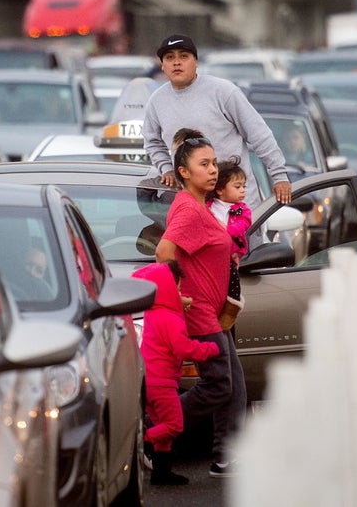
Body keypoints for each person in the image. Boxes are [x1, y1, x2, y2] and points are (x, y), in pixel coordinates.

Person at [154, 127, 245, 478]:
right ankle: (154, 425)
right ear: (183, 172)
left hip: (215, 312)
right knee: (219, 383)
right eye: (203, 164)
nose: (212, 170)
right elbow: (164, 252)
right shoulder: (191, 210)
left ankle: (224, 458)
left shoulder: (199, 205)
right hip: (199, 313)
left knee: (232, 385)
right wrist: (175, 295)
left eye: (213, 163)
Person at [143, 33, 292, 205]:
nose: (177, 62)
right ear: (162, 65)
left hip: (237, 204)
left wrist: (279, 176)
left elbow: (259, 135)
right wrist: (167, 169)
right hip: (195, 206)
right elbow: (152, 142)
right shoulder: (157, 101)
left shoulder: (224, 92)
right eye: (169, 57)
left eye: (184, 56)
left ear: (196, 62)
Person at [134, 259, 220, 486]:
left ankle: (161, 473)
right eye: (177, 286)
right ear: (169, 288)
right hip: (162, 383)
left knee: (166, 432)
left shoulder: (153, 313)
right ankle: (141, 439)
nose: (180, 291)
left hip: (148, 381)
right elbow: (182, 348)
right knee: (174, 425)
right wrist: (208, 349)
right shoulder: (172, 319)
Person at [207, 158, 251, 329]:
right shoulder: (207, 206)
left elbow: (242, 225)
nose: (242, 191)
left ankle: (232, 307)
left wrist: (222, 232)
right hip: (211, 256)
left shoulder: (242, 209)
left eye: (243, 187)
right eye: (237, 186)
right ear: (219, 189)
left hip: (230, 255)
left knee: (233, 278)